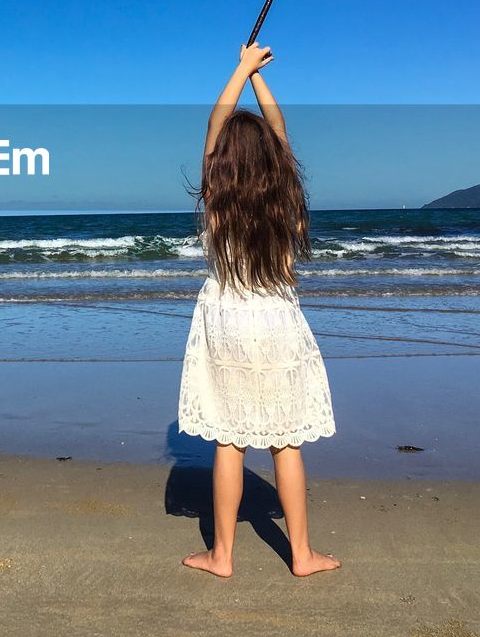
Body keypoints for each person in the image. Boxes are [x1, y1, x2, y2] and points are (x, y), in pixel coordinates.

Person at [178, 41, 340, 578]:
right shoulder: (284, 194)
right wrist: (257, 77)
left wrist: (241, 69)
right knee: (285, 440)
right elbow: (280, 129)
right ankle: (302, 554)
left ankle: (221, 555)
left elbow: (215, 122)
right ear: (274, 160)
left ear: (221, 164)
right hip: (275, 320)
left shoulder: (218, 200)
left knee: (230, 439)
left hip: (226, 320)